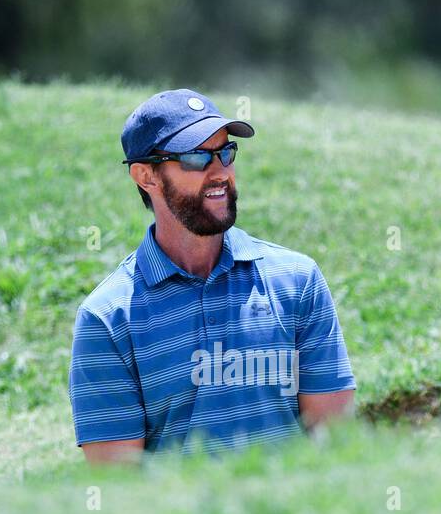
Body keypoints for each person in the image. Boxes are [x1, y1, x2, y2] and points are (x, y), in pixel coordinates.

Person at [69, 89, 356, 464]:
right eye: (196, 158)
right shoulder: (106, 319)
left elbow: (335, 441)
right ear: (146, 176)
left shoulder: (297, 281)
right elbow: (121, 488)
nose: (220, 171)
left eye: (226, 152)